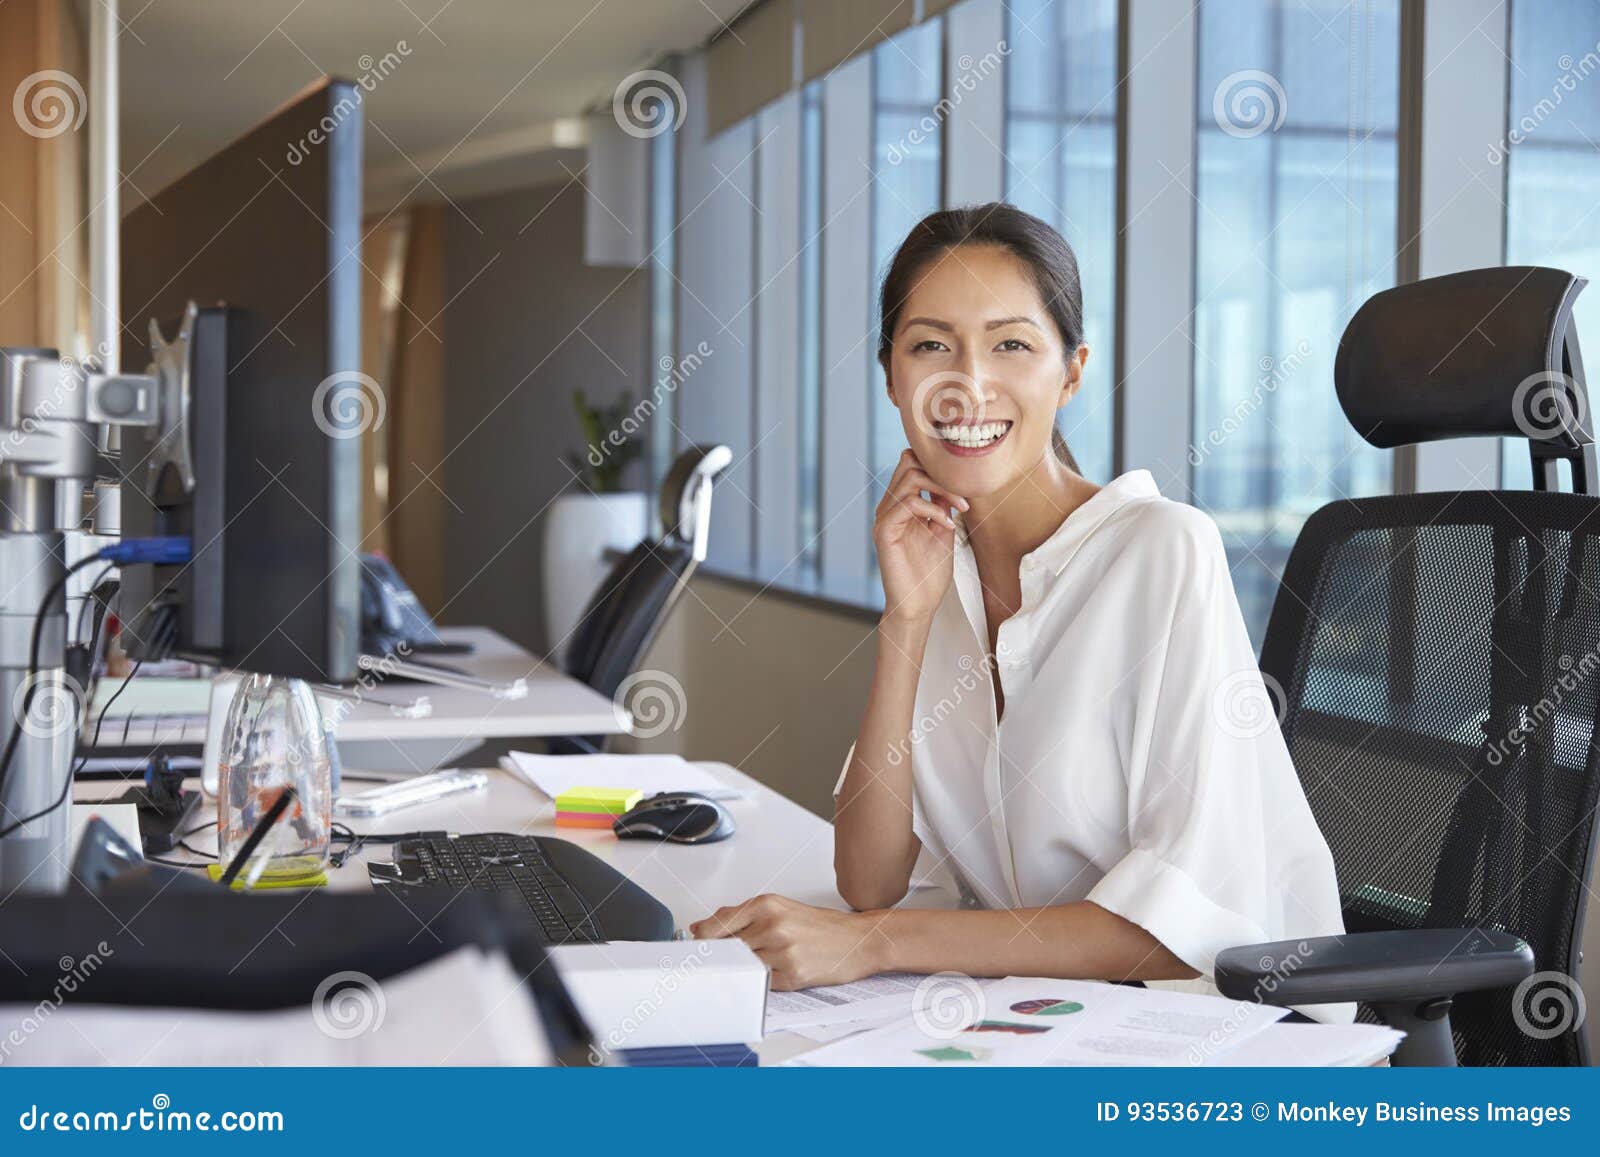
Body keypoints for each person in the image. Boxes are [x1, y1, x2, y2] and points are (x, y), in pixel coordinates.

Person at [691, 203, 1349, 1020]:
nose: (968, 383)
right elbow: (870, 880)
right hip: (1047, 1022)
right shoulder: (938, 564)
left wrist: (877, 943)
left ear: (1071, 372)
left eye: (1011, 345)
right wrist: (906, 620)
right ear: (892, 375)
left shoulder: (1163, 550)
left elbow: (1178, 934)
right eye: (932, 345)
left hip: (1216, 1037)